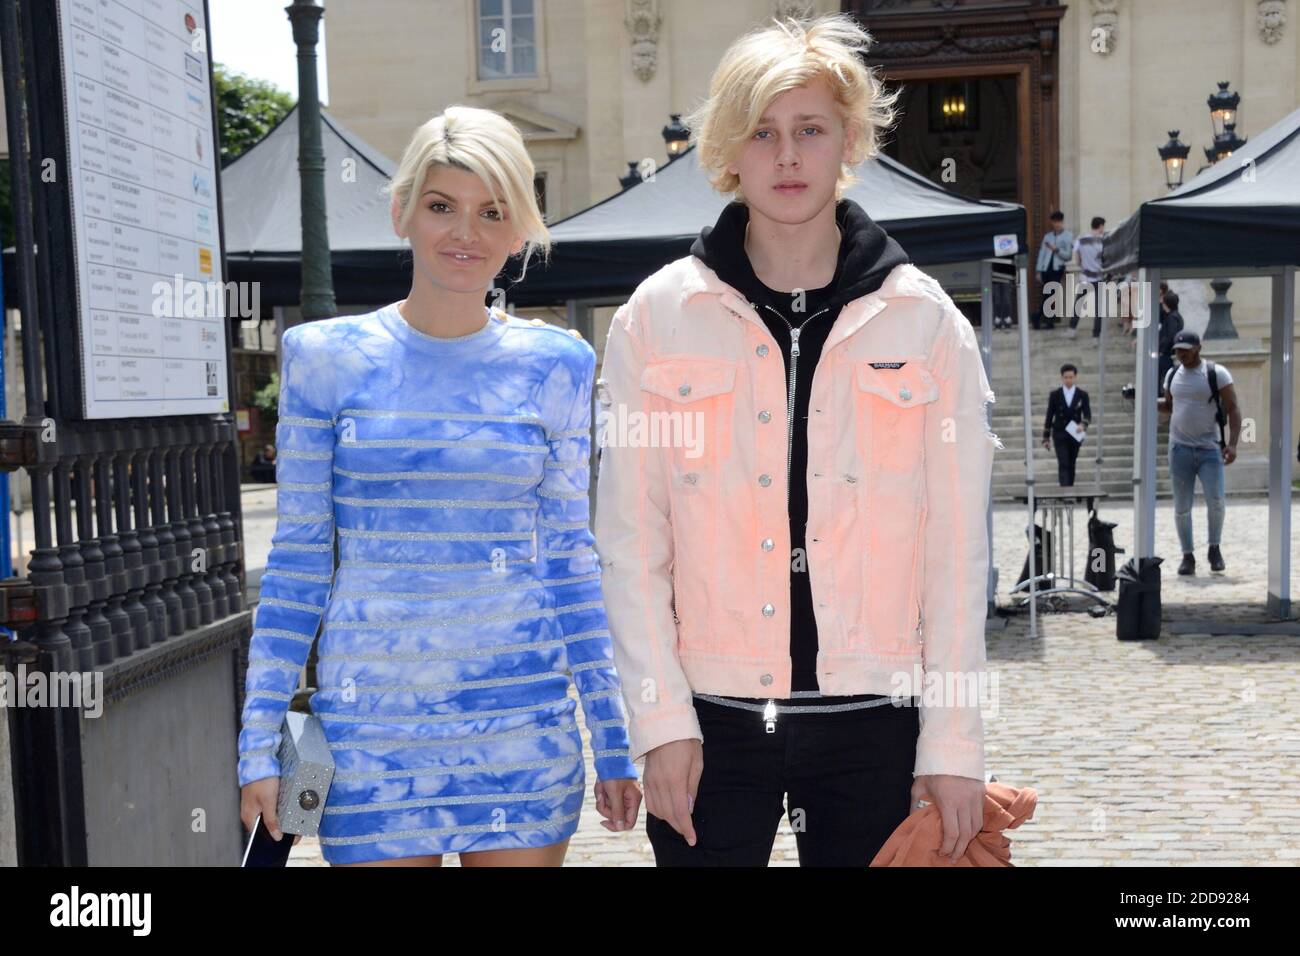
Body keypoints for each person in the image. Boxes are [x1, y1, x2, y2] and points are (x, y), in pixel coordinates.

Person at [595, 13, 997, 867]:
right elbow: (631, 546)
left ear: (848, 140)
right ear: (728, 149)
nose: (786, 157)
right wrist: (660, 721)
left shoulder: (926, 321)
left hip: (875, 727)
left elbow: (956, 554)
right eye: (762, 133)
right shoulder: (656, 319)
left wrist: (953, 745)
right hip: (711, 726)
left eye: (809, 130)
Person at [237, 105, 641, 866]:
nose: (466, 233)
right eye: (441, 206)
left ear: (519, 230)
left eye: (492, 212)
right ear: (402, 214)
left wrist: (612, 740)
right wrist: (259, 744)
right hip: (370, 736)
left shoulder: (557, 363)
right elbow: (296, 568)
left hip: (520, 729)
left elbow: (570, 560)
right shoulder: (324, 358)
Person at [1157, 330, 1242, 576]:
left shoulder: (1216, 373)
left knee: (1216, 501)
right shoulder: (1172, 374)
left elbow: (1234, 408)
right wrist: (1144, 401)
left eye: (1186, 349)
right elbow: (1170, 406)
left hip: (1209, 448)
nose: (1181, 354)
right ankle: (1187, 555)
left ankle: (1214, 548)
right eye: (1178, 350)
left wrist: (1233, 443)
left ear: (1198, 348)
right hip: (1179, 447)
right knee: (1182, 505)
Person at [1042, 363, 1091, 487]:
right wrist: (1046, 437)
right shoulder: (1055, 395)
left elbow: (1087, 415)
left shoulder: (1082, 395)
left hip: (1075, 431)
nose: (1068, 380)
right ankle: (1065, 492)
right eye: (1066, 377)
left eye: (1071, 377)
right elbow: (1049, 415)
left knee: (1071, 462)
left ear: (1075, 377)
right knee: (1063, 462)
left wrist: (1083, 425)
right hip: (1060, 431)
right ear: (1062, 378)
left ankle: (1070, 488)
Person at [1034, 211, 1073, 330]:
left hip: (1057, 269)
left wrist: (1057, 250)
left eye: (1059, 222)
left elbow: (1069, 256)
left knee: (1052, 295)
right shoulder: (1048, 236)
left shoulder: (1068, 236)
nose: (1057, 224)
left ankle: (1040, 318)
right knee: (1047, 295)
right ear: (1052, 222)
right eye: (1055, 222)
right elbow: (1042, 254)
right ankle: (1044, 320)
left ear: (1062, 222)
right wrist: (1038, 271)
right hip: (1046, 269)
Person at [1067, 216, 1105, 339]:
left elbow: (1077, 258)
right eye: (1103, 226)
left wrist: (1082, 263)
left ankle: (1072, 330)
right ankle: (1096, 336)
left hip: (1085, 277)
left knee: (1078, 304)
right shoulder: (1103, 241)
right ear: (1100, 226)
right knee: (1099, 309)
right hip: (1099, 277)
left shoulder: (1081, 239)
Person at [1156, 290, 1185, 392]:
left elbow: (1170, 336)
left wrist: (1162, 348)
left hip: (1167, 354)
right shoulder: (1173, 316)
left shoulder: (1172, 318)